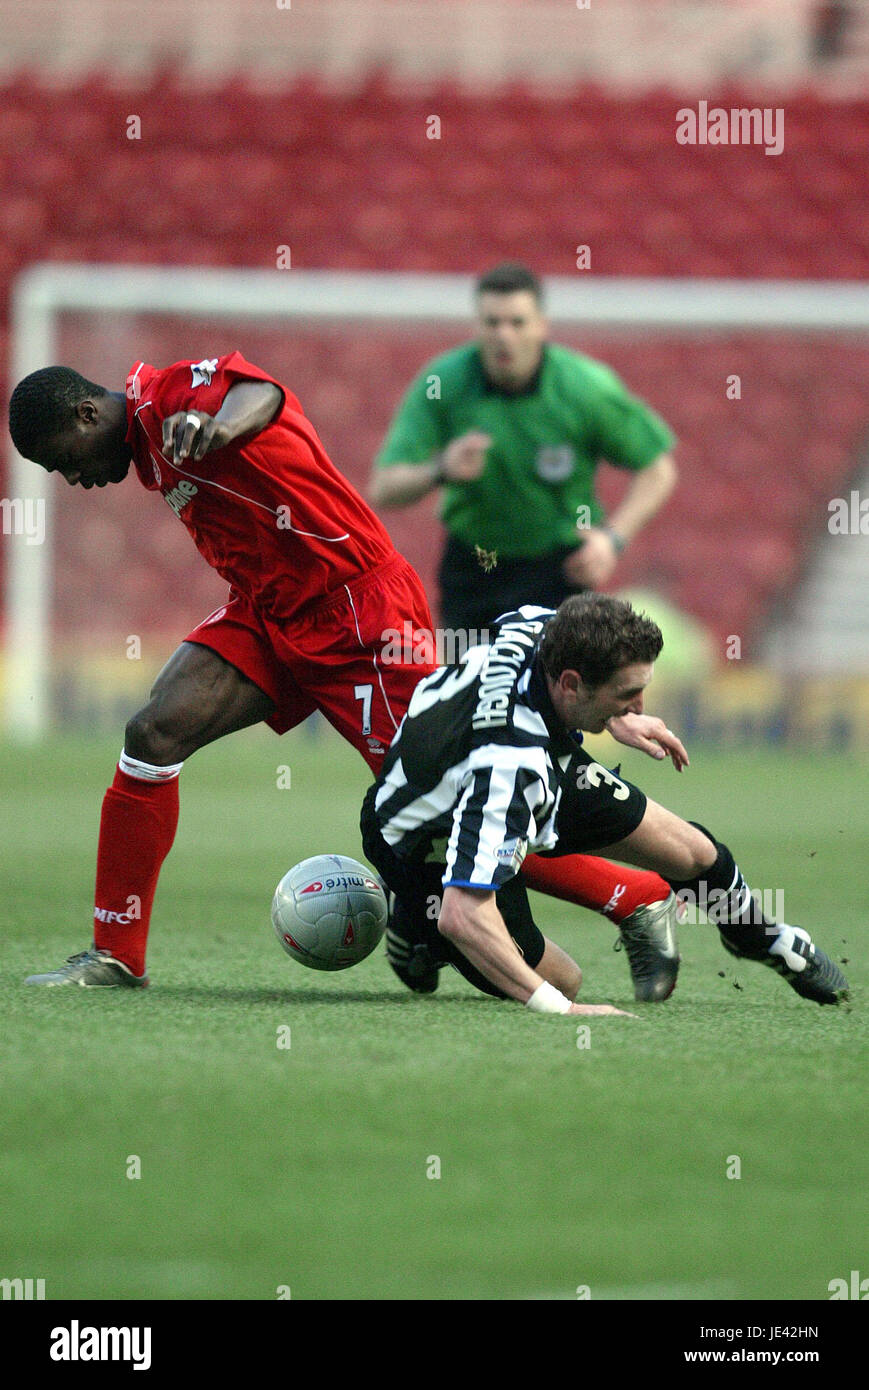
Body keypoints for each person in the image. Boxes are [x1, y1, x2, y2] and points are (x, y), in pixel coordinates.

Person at [8, 352, 674, 991]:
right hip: (272, 612)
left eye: (60, 463)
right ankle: (116, 954)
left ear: (86, 418)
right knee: (152, 735)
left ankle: (634, 895)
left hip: (358, 616)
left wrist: (217, 427)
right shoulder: (149, 450)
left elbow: (261, 396)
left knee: (439, 805)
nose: (71, 480)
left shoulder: (170, 397)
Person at [361, 595, 849, 1015]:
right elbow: (463, 915)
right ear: (570, 685)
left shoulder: (540, 627)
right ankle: (410, 920)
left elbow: (543, 630)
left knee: (692, 853)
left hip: (513, 759)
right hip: (421, 845)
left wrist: (615, 717)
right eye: (627, 694)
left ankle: (763, 939)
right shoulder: (510, 770)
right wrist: (562, 1009)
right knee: (560, 979)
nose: (639, 705)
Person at [369, 261, 677, 633]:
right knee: (469, 687)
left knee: (556, 687)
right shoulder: (442, 383)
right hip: (475, 566)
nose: (504, 335)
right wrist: (440, 469)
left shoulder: (584, 388)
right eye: (492, 323)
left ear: (542, 326)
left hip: (560, 570)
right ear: (477, 326)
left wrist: (612, 540)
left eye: (517, 323)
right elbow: (384, 488)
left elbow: (658, 469)